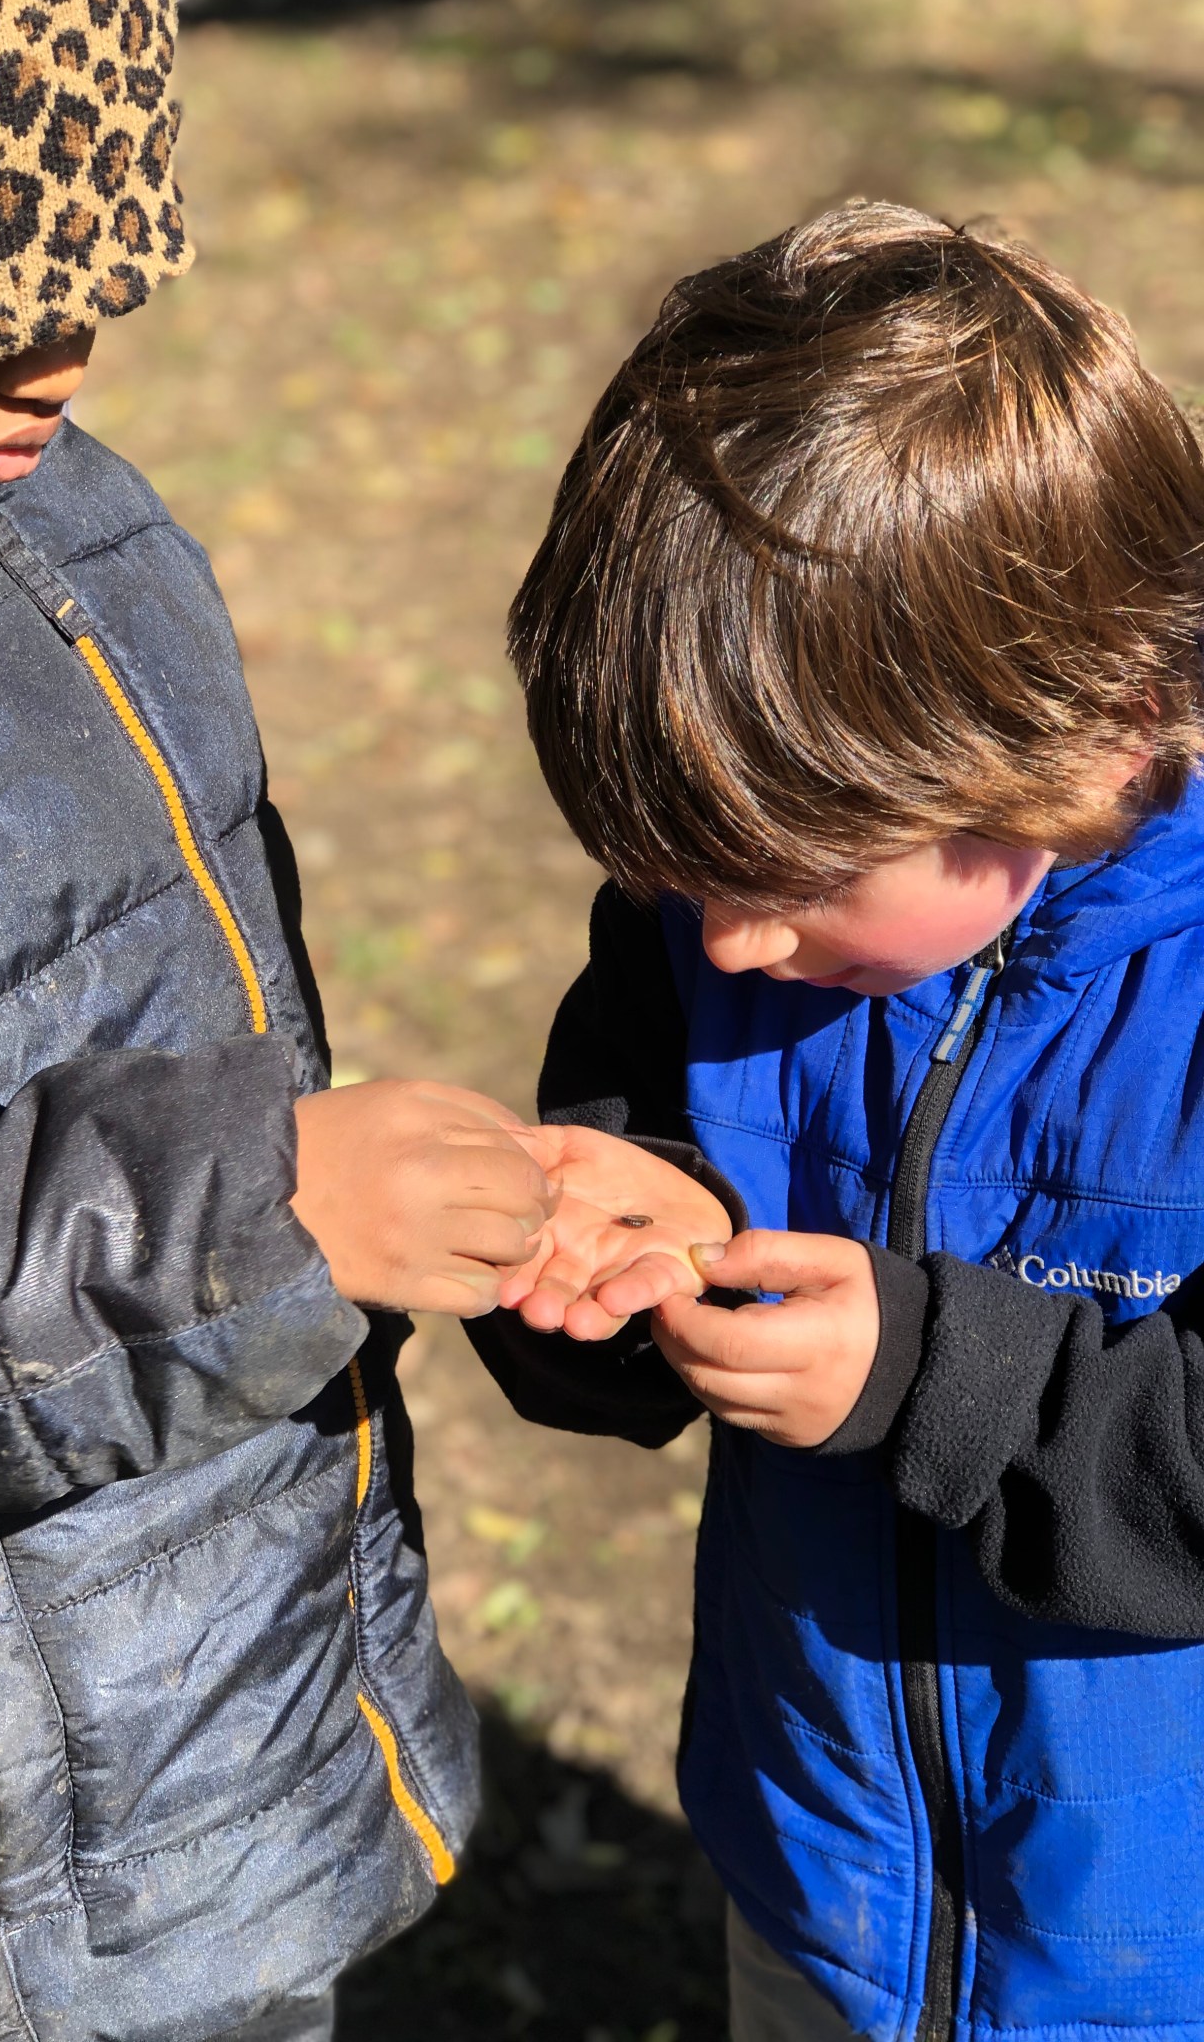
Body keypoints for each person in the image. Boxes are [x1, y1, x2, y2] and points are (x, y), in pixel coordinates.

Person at [0, 2, 731, 2040]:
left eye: (91, 287)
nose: (53, 363)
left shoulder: (45, 502)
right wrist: (251, 1216)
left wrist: (471, 1205)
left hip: (185, 1717)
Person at [471, 201, 1204, 2042]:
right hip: (828, 1883)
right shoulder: (718, 906)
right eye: (675, 875)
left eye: (789, 880)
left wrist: (926, 1375)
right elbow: (641, 1128)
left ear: (1093, 729)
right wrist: (609, 1247)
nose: (727, 938)